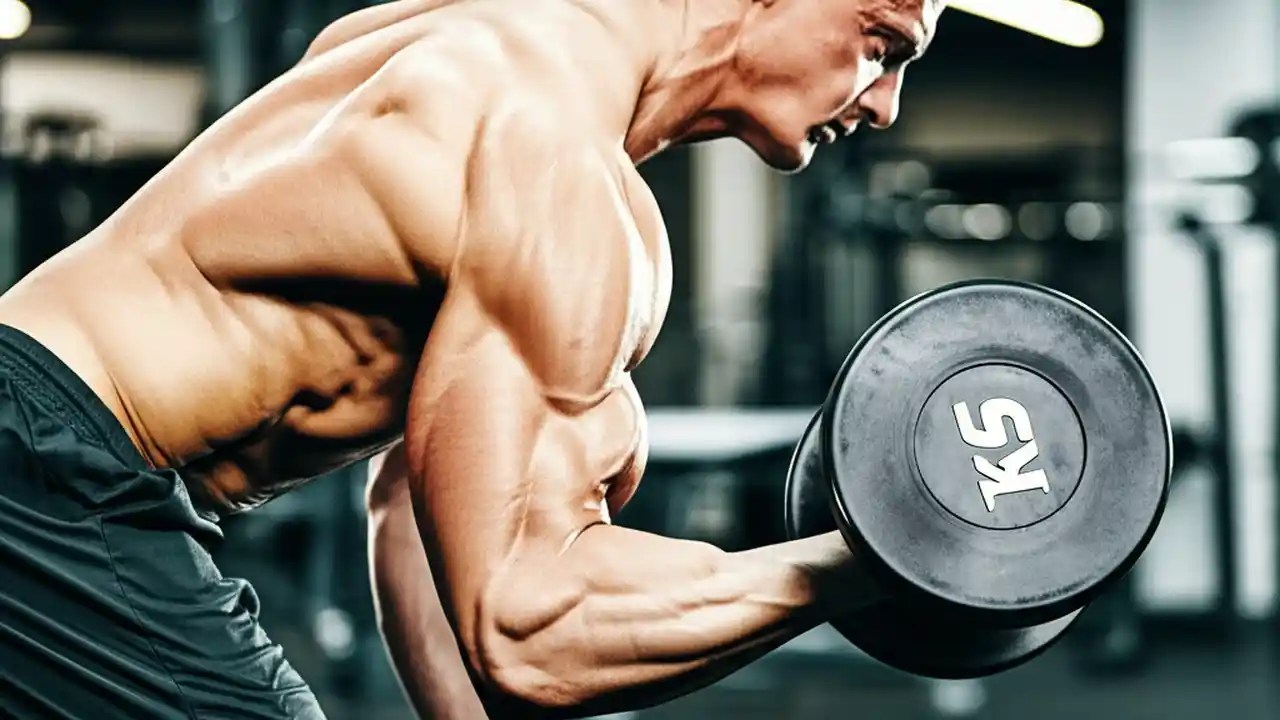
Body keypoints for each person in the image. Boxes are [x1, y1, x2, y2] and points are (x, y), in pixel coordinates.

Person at [0, 0, 943, 717]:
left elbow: (415, 508)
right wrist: (873, 558)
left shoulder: (470, 38)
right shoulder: (546, 157)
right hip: (48, 472)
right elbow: (532, 631)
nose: (887, 103)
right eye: (882, 42)